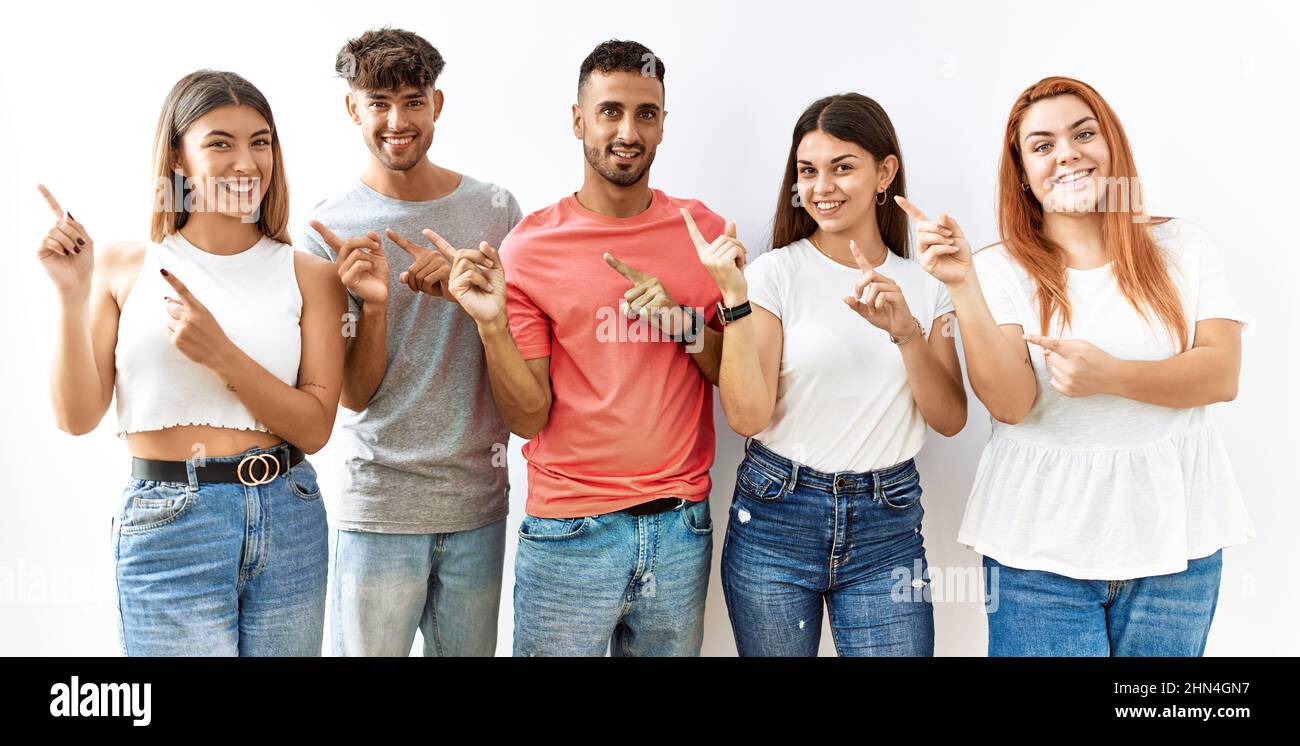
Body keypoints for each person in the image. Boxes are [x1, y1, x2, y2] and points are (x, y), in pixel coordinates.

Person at [899, 76, 1254, 656]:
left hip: (1178, 545)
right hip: (1036, 554)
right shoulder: (995, 270)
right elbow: (1011, 405)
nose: (1066, 153)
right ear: (1023, 172)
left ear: (1111, 144)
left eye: (1082, 133)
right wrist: (962, 285)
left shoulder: (1183, 247)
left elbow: (1221, 375)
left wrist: (1111, 376)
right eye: (1042, 145)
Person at [41, 70, 346, 656]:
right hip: (168, 524)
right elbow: (77, 417)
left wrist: (222, 355)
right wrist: (71, 294)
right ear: (178, 160)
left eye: (260, 142)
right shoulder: (123, 267)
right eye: (219, 143)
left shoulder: (311, 276)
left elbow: (314, 427)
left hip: (289, 514)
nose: (246, 161)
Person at [441, 39, 726, 656]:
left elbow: (737, 377)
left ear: (663, 124)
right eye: (610, 111)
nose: (628, 131)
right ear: (578, 120)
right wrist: (491, 326)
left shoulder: (703, 231)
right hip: (569, 530)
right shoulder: (530, 248)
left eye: (645, 113)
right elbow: (527, 418)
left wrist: (685, 325)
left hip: (680, 526)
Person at [693, 93, 965, 656]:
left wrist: (906, 331)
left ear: (884, 172)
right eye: (809, 171)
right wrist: (734, 301)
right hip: (776, 517)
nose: (822, 188)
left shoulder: (929, 285)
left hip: (886, 527)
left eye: (843, 167)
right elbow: (747, 416)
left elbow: (951, 419)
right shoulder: (773, 274)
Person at [297, 28, 522, 657]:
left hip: (479, 505)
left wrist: (470, 298)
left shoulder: (497, 212)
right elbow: (354, 397)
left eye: (413, 101)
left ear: (437, 104)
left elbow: (521, 349)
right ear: (353, 108)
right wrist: (372, 307)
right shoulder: (328, 229)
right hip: (378, 509)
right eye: (378, 102)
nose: (397, 121)